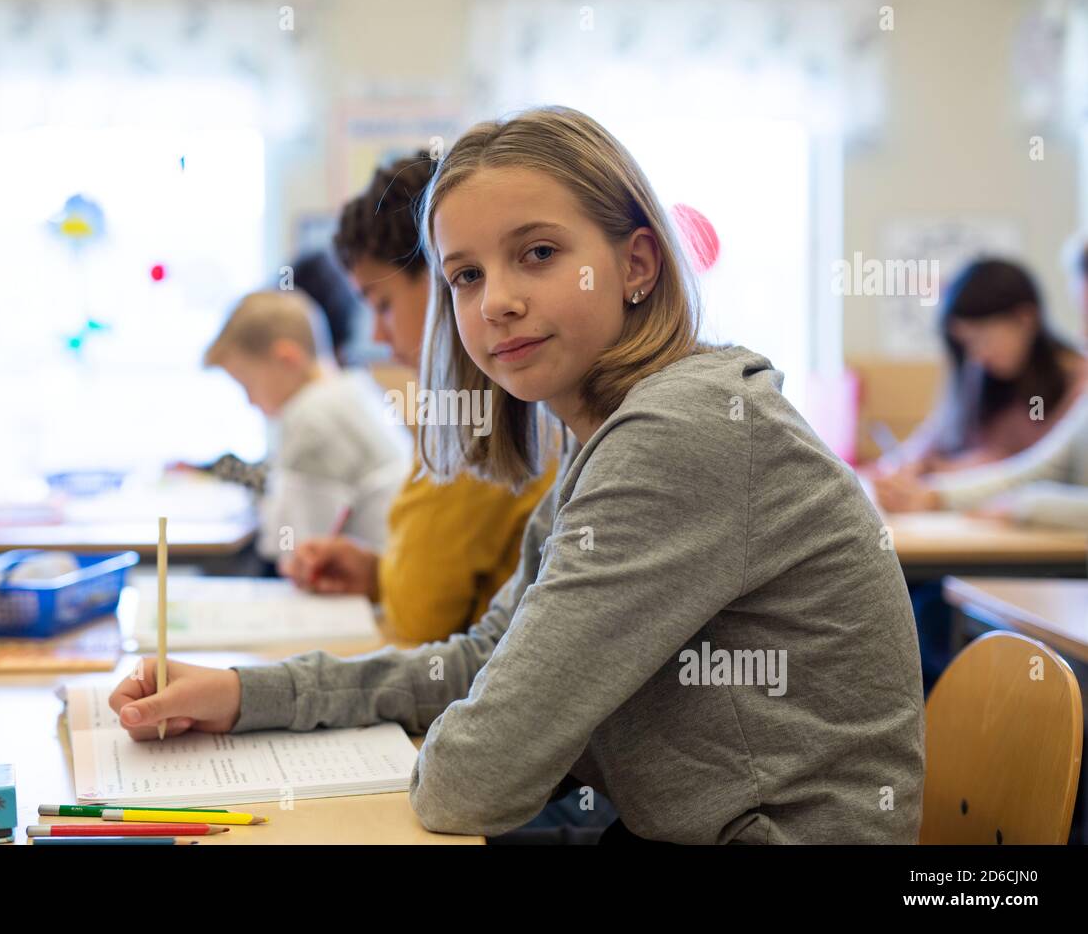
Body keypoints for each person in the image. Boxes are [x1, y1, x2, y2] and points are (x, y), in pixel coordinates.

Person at [111, 107, 924, 844]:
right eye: (465, 275)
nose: (495, 301)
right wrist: (244, 694)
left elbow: (471, 785)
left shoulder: (684, 432)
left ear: (637, 262)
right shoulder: (601, 433)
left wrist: (448, 745)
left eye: (537, 254)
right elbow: (479, 660)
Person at [280, 152, 557, 644]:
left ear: (439, 280)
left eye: (383, 304)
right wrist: (376, 573)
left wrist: (391, 581)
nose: (382, 336)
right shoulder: (496, 401)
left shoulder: (480, 415)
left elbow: (417, 620)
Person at [202, 288, 411, 561]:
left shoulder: (312, 415)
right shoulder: (353, 390)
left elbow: (295, 551)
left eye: (247, 384)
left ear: (286, 359)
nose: (250, 401)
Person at [874, 258, 1085, 511]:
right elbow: (927, 444)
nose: (977, 355)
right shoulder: (978, 373)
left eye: (983, 339)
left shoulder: (1077, 383)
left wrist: (960, 474)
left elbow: (1040, 471)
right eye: (966, 343)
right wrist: (907, 468)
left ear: (1025, 319)